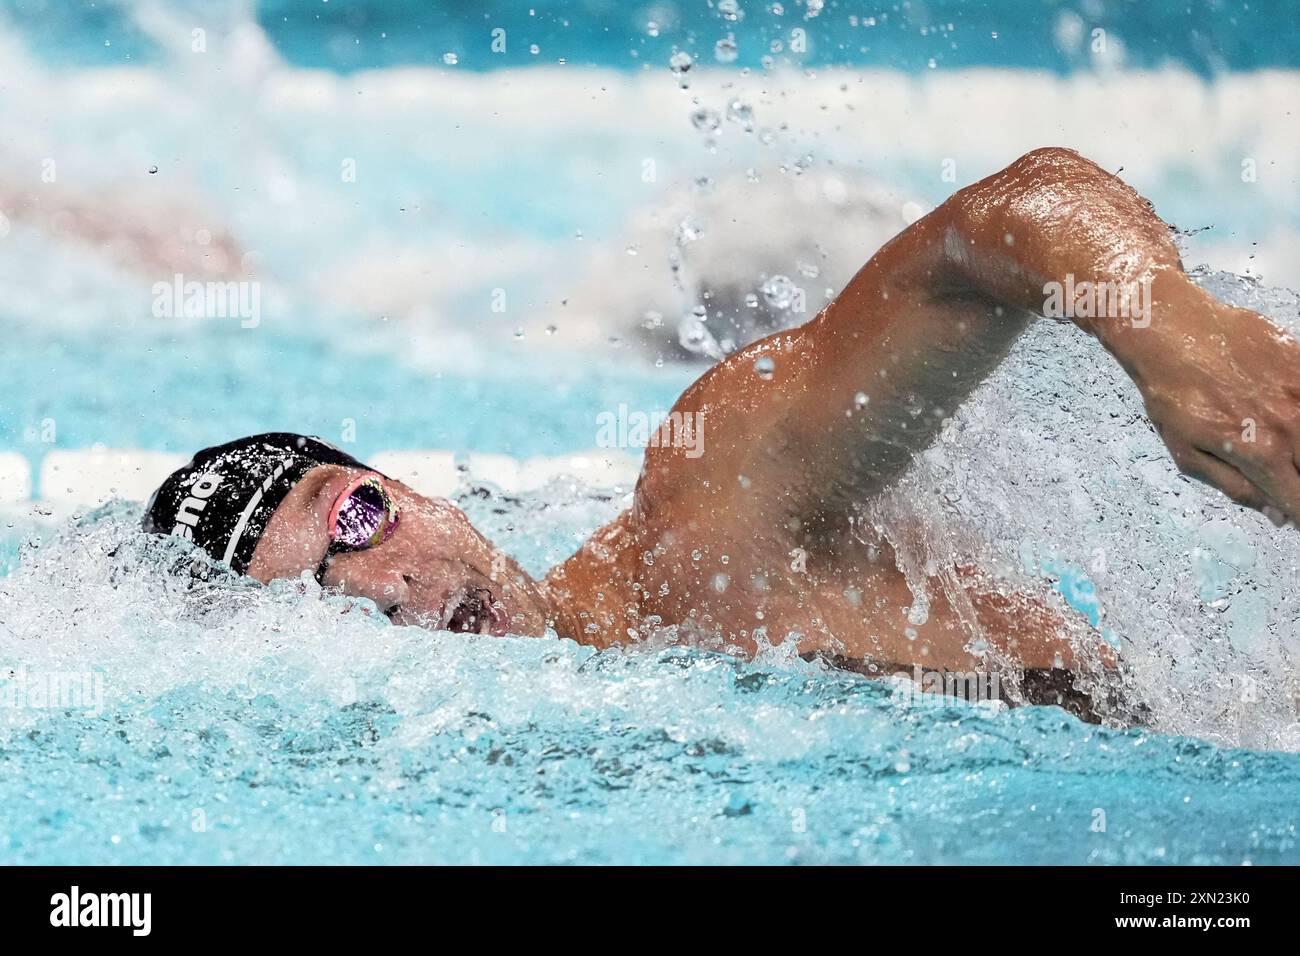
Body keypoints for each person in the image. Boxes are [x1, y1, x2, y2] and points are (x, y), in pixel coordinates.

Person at [142, 148, 1300, 720]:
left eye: (356, 518)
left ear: (416, 489)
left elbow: (1014, 212)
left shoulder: (711, 514)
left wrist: (1180, 339)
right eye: (328, 602)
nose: (394, 590)